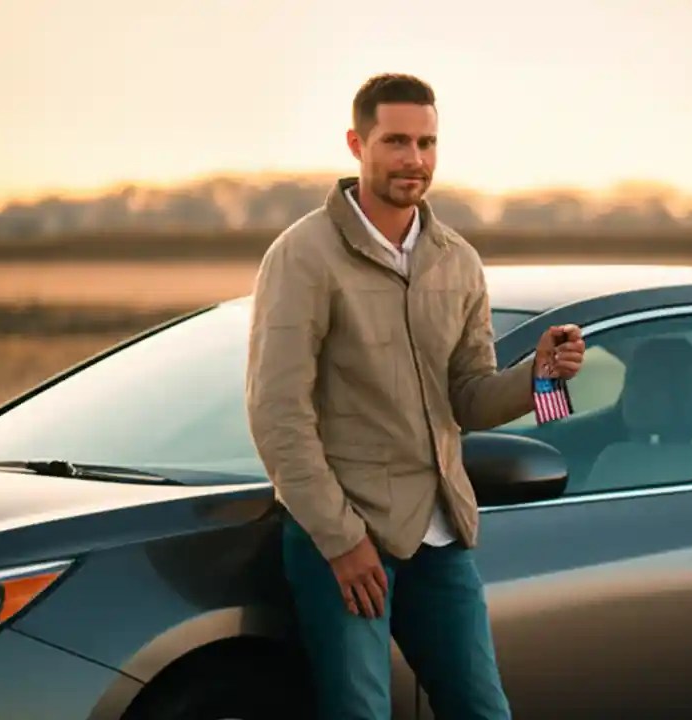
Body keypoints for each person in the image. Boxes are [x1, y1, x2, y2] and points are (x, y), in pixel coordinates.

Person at [245, 73, 585, 719]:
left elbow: (468, 399)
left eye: (427, 142)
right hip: (347, 538)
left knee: (484, 712)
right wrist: (340, 540)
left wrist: (544, 377)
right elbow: (276, 413)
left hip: (442, 538)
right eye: (397, 141)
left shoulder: (458, 260)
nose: (415, 159)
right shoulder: (303, 256)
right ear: (356, 143)